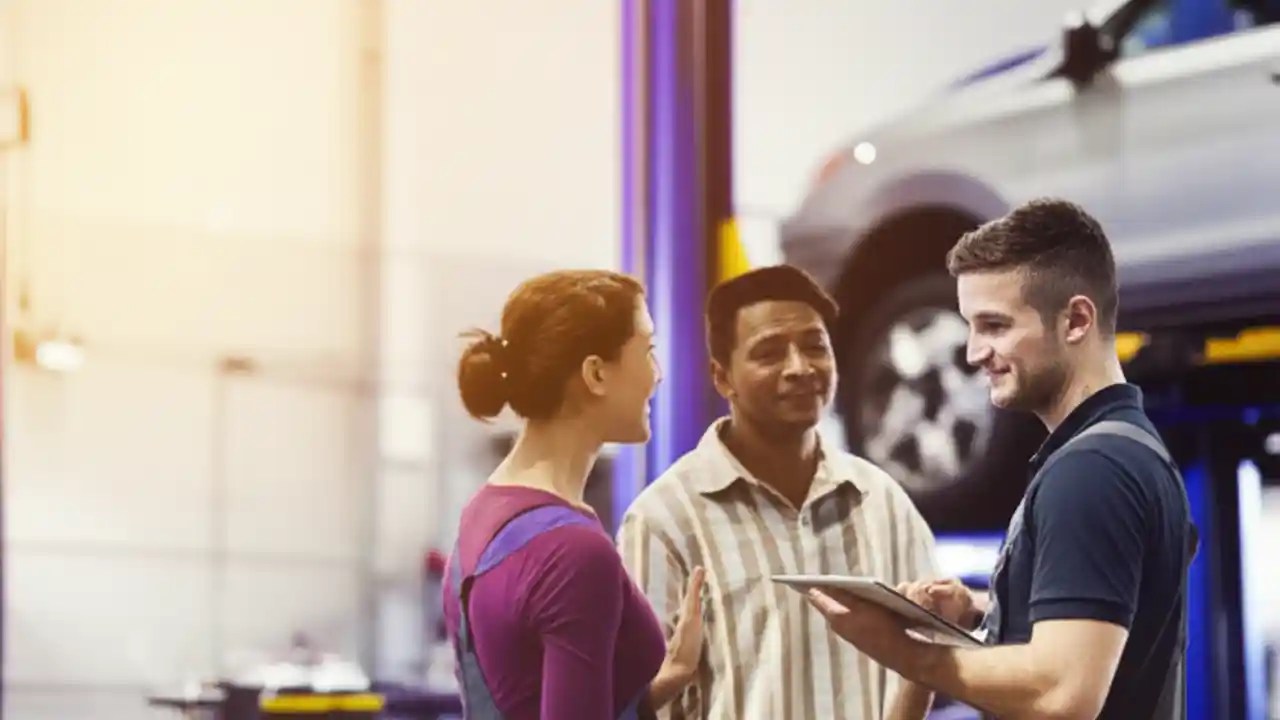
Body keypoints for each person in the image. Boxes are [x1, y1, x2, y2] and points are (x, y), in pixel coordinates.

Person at [808, 198, 1198, 720]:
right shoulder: (1127, 449)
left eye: (994, 326)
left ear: (1076, 320)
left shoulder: (1091, 472)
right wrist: (977, 610)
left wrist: (902, 650)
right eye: (970, 326)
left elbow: (1062, 693)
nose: (973, 353)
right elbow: (1102, 621)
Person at [617, 264, 941, 720]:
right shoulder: (663, 520)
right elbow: (642, 698)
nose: (799, 368)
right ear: (722, 377)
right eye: (769, 353)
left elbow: (928, 654)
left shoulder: (882, 500)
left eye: (815, 347)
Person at [443, 269, 706, 719]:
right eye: (648, 350)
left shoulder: (485, 512)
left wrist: (668, 680)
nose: (658, 375)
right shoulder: (574, 551)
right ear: (596, 373)